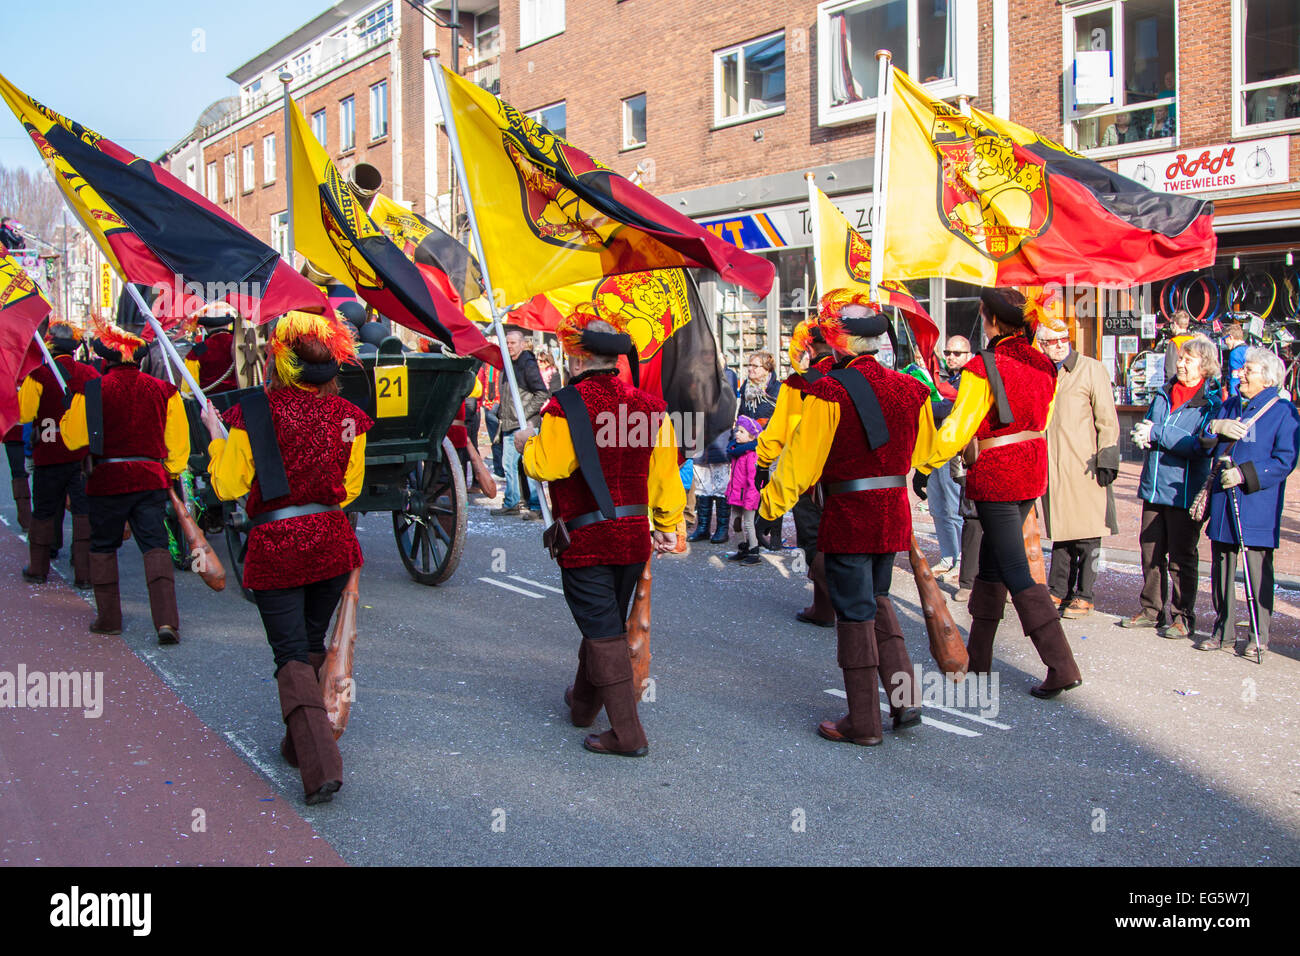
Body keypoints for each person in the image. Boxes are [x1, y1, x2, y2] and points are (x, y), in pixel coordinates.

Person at [201, 311, 372, 804]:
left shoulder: (251, 414)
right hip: (331, 540)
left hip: (277, 543)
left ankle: (320, 765)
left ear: (279, 361)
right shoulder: (348, 418)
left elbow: (227, 486)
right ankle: (301, 744)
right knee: (309, 641)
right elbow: (350, 489)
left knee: (290, 653)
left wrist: (217, 443)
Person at [761, 292, 936, 745]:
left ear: (840, 343)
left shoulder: (829, 390)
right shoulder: (912, 388)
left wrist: (769, 507)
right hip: (892, 513)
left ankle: (863, 722)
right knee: (878, 600)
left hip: (850, 515)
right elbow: (926, 452)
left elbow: (801, 462)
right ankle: (905, 699)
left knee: (856, 613)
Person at [517, 307, 684, 756]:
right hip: (631, 534)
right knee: (603, 622)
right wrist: (668, 525)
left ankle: (628, 734)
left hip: (588, 537)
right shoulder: (651, 408)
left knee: (603, 630)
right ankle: (583, 706)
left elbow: (546, 465)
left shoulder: (563, 407)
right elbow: (664, 474)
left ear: (576, 359)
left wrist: (525, 444)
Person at [918, 288, 1082, 699]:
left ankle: (1061, 665)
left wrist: (924, 464)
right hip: (1030, 468)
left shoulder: (983, 365)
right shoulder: (1045, 363)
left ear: (990, 319)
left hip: (998, 474)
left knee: (1014, 569)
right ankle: (979, 657)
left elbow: (959, 426)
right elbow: (1042, 417)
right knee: (991, 568)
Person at [59, 319, 190, 643]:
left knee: (103, 547)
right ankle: (166, 622)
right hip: (149, 478)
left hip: (107, 479)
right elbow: (177, 441)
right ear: (140, 358)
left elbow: (74, 439)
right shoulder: (163, 390)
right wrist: (171, 470)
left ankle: (109, 619)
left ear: (106, 358)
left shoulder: (91, 391)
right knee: (156, 546)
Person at [1193, 348, 1300, 658]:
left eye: (1248, 370)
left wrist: (1245, 475)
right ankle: (1222, 630)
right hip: (1224, 499)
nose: (1240, 374)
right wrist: (1214, 427)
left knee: (1257, 571)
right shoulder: (1229, 405)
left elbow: (1285, 461)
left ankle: (1257, 635)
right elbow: (1204, 440)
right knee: (1222, 567)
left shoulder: (1284, 412)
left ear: (1267, 378)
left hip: (1257, 499)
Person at [1125, 338, 1221, 638]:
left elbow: (1201, 446)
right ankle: (1152, 610)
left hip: (1183, 490)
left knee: (1182, 557)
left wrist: (1159, 434)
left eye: (1188, 360)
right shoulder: (1164, 393)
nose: (1180, 364)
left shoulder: (1211, 403)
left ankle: (1183, 616)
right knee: (1150, 552)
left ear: (1204, 366)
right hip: (1154, 486)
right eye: (1180, 358)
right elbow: (1152, 427)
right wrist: (1142, 434)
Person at [756, 317, 836, 625]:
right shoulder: (860, 378)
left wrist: (763, 464)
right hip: (854, 477)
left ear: (812, 346)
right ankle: (847, 608)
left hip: (811, 478)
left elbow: (780, 432)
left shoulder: (801, 383)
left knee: (815, 542)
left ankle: (826, 607)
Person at [1039, 325, 1120, 619]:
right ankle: (1059, 589)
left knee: (1088, 534)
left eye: (1063, 340)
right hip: (1055, 466)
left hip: (1085, 464)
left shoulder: (1091, 369)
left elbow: (1107, 417)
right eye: (1051, 341)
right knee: (1061, 534)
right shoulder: (1043, 373)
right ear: (1042, 345)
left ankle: (1085, 594)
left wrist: (1107, 455)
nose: (1059, 346)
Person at [18, 322, 99, 588]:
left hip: (48, 453)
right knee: (82, 513)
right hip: (81, 457)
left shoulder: (38, 375)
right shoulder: (89, 373)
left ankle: (38, 569)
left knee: (43, 512)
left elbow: (24, 415)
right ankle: (84, 573)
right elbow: (98, 419)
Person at [494, 327, 548, 519]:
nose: (509, 346)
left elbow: (542, 392)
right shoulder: (509, 364)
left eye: (513, 342)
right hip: (510, 423)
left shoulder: (527, 364)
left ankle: (535, 505)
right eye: (507, 343)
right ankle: (513, 502)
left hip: (524, 424)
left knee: (528, 465)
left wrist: (522, 415)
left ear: (522, 344)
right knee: (509, 465)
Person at [725, 415, 762, 565]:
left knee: (748, 523)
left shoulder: (751, 455)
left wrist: (751, 499)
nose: (737, 434)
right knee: (735, 522)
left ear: (752, 436)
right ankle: (742, 548)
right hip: (736, 495)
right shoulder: (737, 452)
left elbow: (753, 481)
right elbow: (734, 476)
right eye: (737, 431)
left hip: (748, 496)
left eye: (741, 432)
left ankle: (754, 551)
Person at [184, 306, 238, 394]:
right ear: (228, 324)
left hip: (211, 404)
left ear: (205, 327)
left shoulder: (196, 352)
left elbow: (188, 390)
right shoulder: (242, 344)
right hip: (243, 401)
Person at [738, 350, 781, 424]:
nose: (750, 369)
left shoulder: (778, 390)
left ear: (767, 369)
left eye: (755, 366)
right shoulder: (745, 389)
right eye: (749, 365)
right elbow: (741, 417)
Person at [1222, 323, 1247, 400]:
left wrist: (1233, 396)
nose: (1225, 343)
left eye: (1224, 339)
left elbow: (1235, 377)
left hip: (1238, 394)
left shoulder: (1235, 353)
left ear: (1230, 337)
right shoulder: (1249, 349)